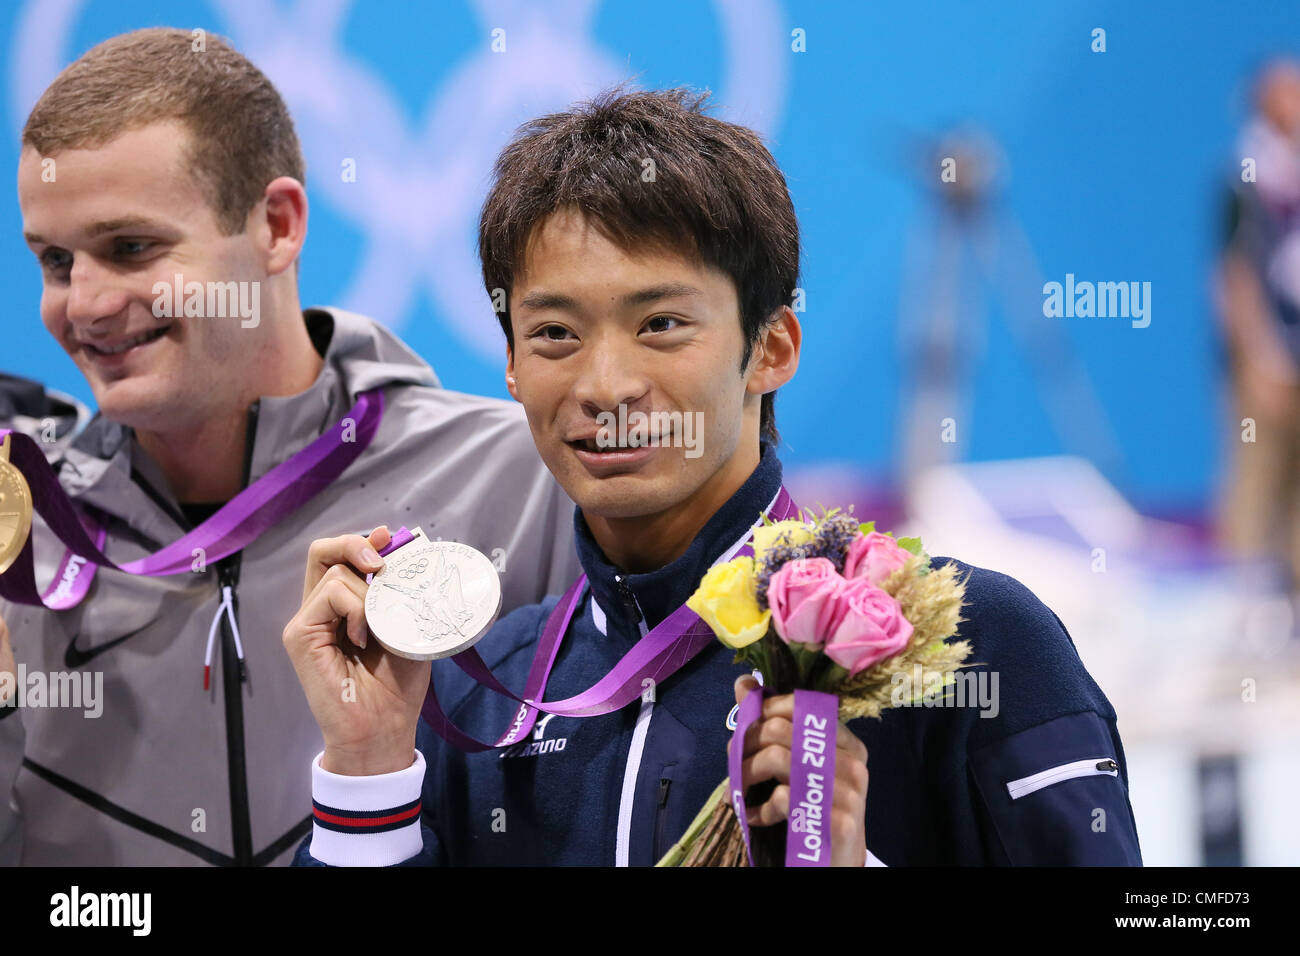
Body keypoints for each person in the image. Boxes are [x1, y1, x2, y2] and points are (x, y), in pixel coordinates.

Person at [283, 88, 1143, 866]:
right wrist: (367, 765)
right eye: (554, 334)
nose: (604, 384)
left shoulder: (969, 646)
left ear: (770, 349)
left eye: (660, 323)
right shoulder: (476, 687)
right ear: (510, 367)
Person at [0, 27, 579, 866]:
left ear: (276, 224)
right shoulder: (27, 541)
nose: (82, 304)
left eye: (131, 248)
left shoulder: (524, 482)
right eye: (55, 261)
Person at [1216, 59, 1300, 594]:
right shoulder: (1244, 180)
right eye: (1284, 93)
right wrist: (1262, 359)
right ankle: (1244, 598)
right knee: (1258, 470)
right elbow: (1234, 276)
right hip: (1263, 358)